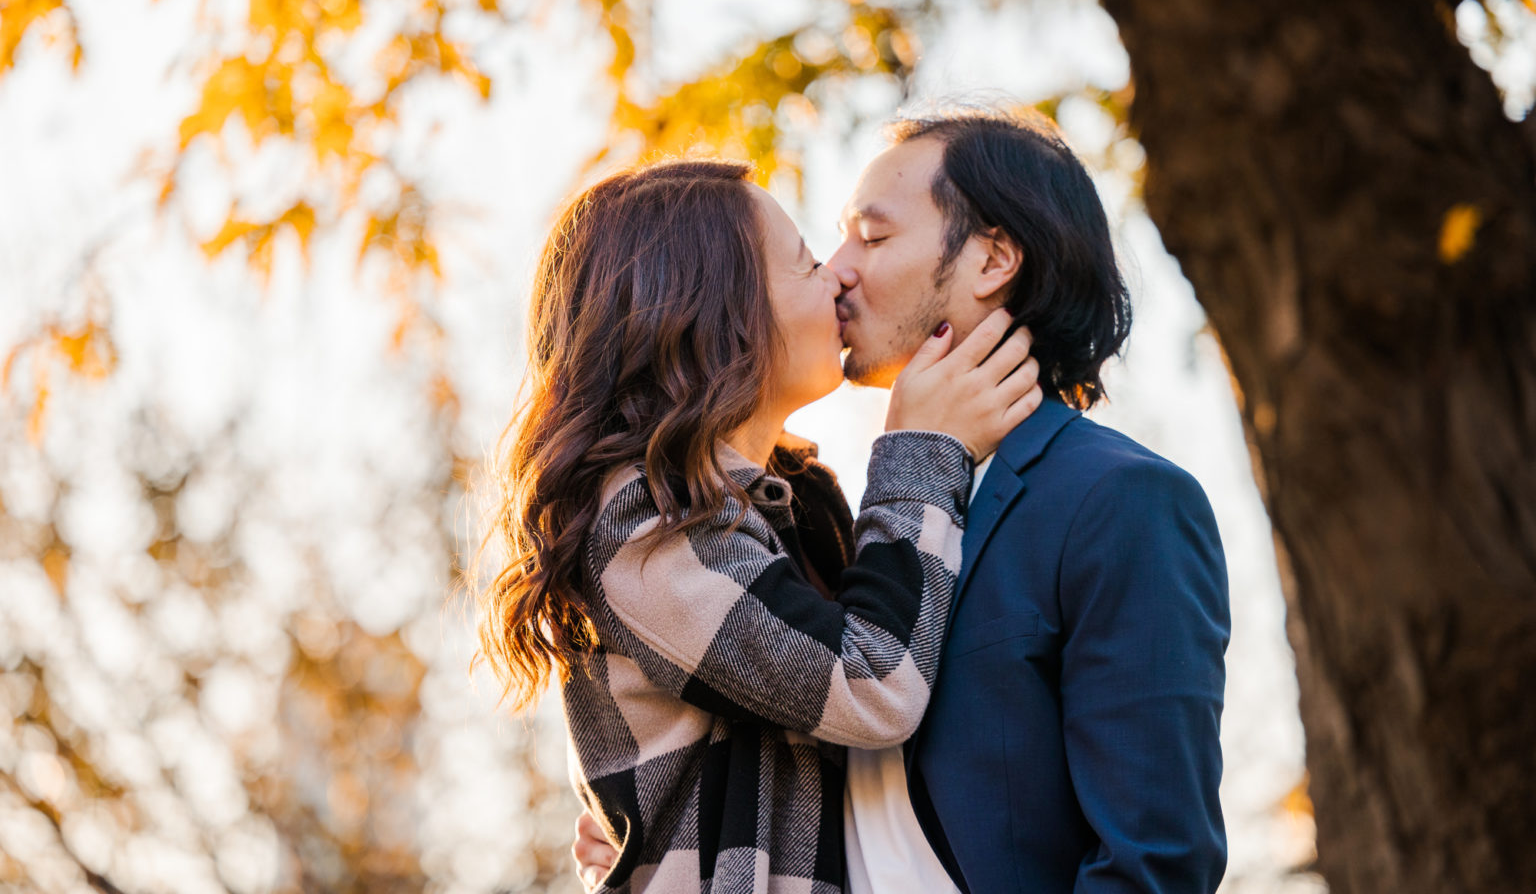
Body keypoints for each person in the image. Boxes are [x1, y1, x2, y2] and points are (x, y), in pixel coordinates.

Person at [575, 108, 1231, 893]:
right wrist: (640, 823)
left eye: (872, 238)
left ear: (991, 259)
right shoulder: (850, 517)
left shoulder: (1119, 501)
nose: (840, 270)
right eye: (827, 247)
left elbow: (1154, 864)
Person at [477, 158, 1043, 894]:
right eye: (808, 262)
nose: (838, 278)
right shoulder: (646, 525)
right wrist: (921, 452)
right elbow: (874, 686)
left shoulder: (798, 501)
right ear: (719, 311)